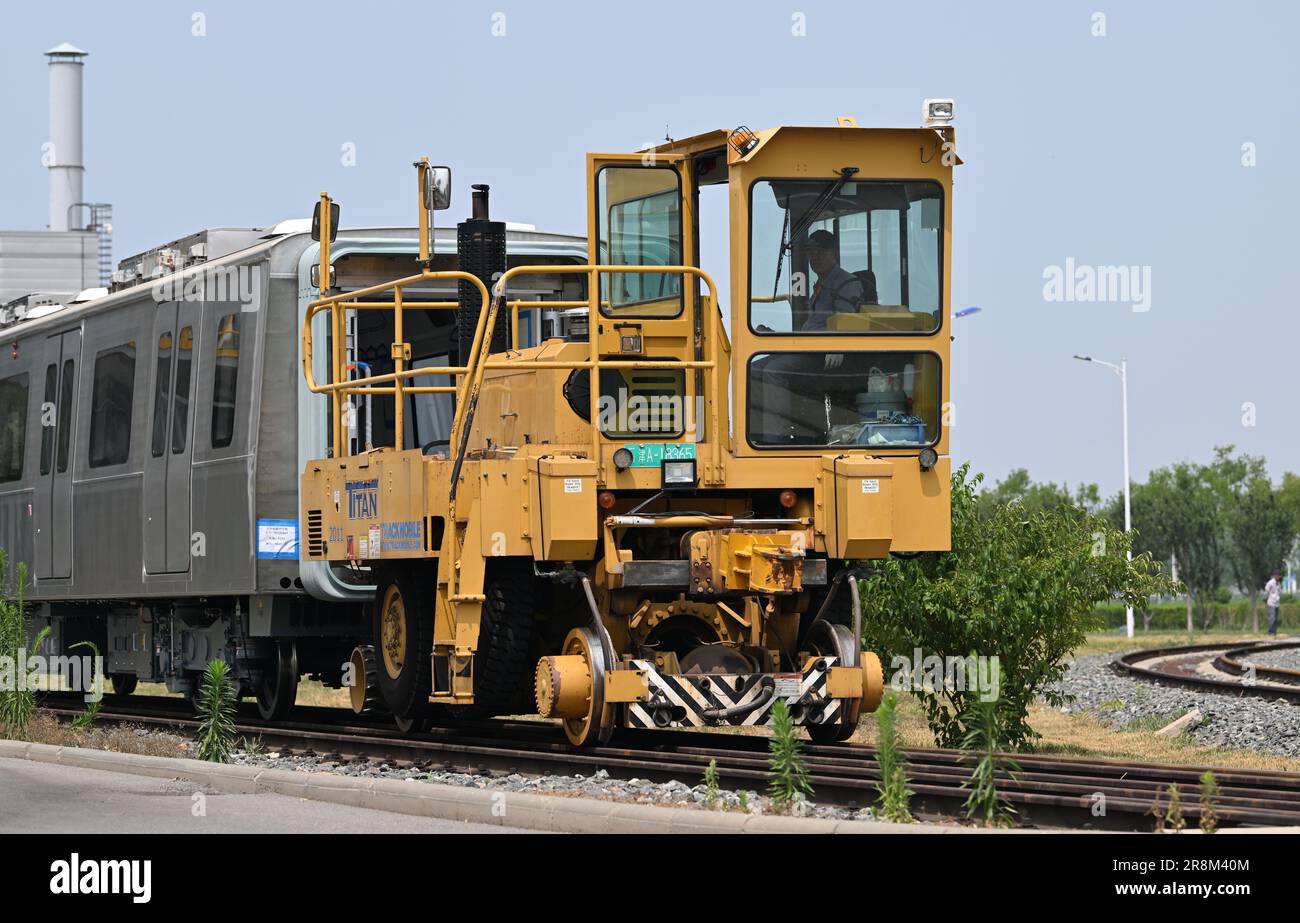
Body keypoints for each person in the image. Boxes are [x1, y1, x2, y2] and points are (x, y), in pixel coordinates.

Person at [1264, 570, 1282, 637]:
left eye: (1279, 576)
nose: (1278, 577)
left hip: (1277, 603)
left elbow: (1279, 592)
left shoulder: (1279, 583)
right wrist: (1266, 598)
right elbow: (1266, 590)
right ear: (1274, 576)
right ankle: (1270, 632)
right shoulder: (1271, 582)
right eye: (1276, 575)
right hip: (1271, 602)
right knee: (1272, 618)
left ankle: (1274, 632)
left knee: (1276, 619)